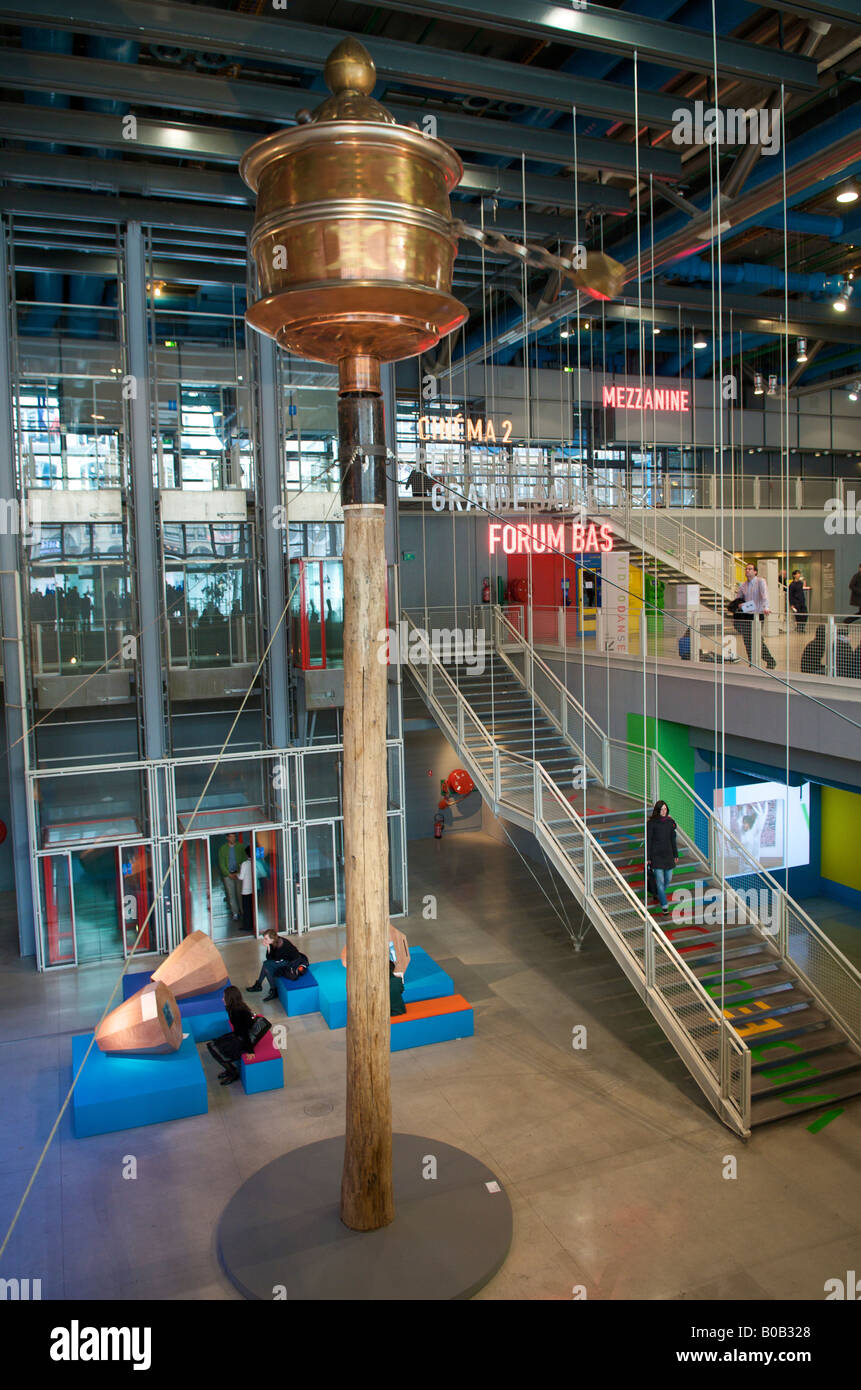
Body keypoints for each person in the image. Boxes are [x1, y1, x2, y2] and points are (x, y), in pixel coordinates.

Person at [206, 985, 257, 1085]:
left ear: (230, 999)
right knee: (214, 1045)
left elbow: (244, 1032)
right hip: (239, 1035)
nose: (222, 999)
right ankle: (231, 1070)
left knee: (214, 1049)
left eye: (224, 997)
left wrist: (250, 1051)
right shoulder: (238, 1007)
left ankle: (233, 1073)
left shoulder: (236, 1012)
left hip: (241, 1039)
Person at [733, 563, 776, 669]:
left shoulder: (760, 582)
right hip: (747, 615)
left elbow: (765, 595)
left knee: (757, 640)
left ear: (755, 571)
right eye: (746, 569)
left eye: (750, 569)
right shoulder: (743, 585)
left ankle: (770, 660)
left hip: (758, 615)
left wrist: (766, 607)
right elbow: (738, 600)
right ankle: (752, 661)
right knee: (747, 640)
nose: (747, 571)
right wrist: (739, 604)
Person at [248, 927, 309, 1001]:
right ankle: (261, 986)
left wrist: (268, 947)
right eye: (264, 938)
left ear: (272, 939)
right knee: (266, 965)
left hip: (292, 962)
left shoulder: (281, 944)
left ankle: (271, 989)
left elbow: (275, 959)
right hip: (284, 959)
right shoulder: (274, 941)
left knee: (267, 965)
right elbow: (269, 957)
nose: (264, 941)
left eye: (266, 939)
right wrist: (268, 947)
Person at [646, 800, 678, 916]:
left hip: (668, 855)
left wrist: (675, 854)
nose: (664, 811)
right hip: (656, 856)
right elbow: (649, 840)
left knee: (668, 879)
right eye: (661, 809)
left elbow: (673, 839)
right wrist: (648, 857)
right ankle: (664, 905)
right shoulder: (651, 823)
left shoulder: (670, 822)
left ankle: (657, 893)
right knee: (660, 882)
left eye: (665, 809)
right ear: (657, 810)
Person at [218, 832, 242, 921]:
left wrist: (238, 873)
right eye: (231, 837)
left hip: (239, 874)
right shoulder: (223, 849)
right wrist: (228, 874)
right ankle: (235, 913)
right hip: (228, 875)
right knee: (231, 894)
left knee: (240, 894)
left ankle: (242, 911)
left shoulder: (240, 847)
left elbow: (244, 860)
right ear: (227, 838)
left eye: (234, 837)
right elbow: (221, 863)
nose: (233, 839)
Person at [238, 844, 255, 934]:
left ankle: (247, 926)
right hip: (254, 890)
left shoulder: (244, 864)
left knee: (246, 909)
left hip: (245, 890)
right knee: (253, 908)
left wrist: (236, 874)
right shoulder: (255, 862)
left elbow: (241, 877)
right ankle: (253, 924)